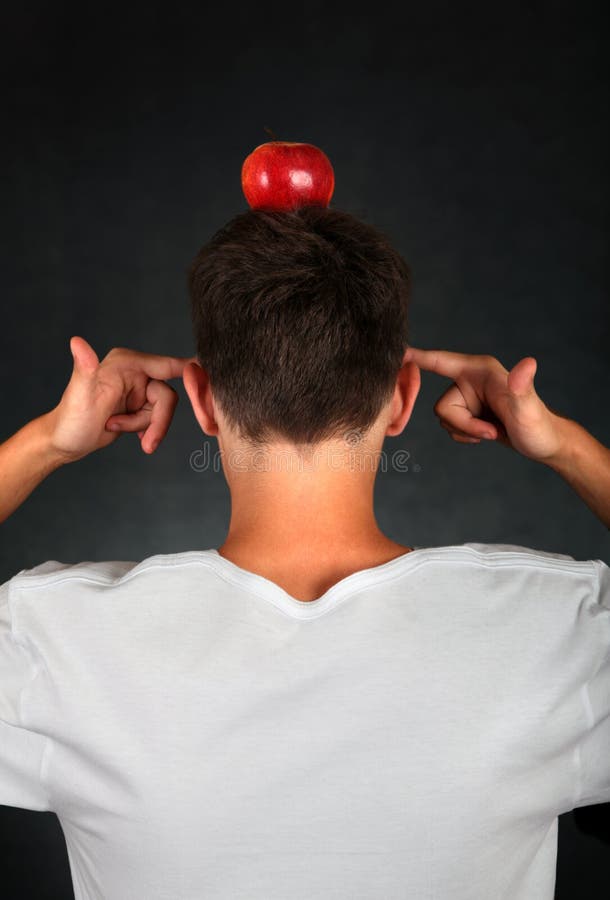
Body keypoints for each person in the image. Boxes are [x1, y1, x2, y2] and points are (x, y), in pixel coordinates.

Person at [0, 206, 608, 900]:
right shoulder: (556, 632)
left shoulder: (59, 642)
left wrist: (49, 439)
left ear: (201, 400)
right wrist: (564, 444)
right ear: (403, 398)